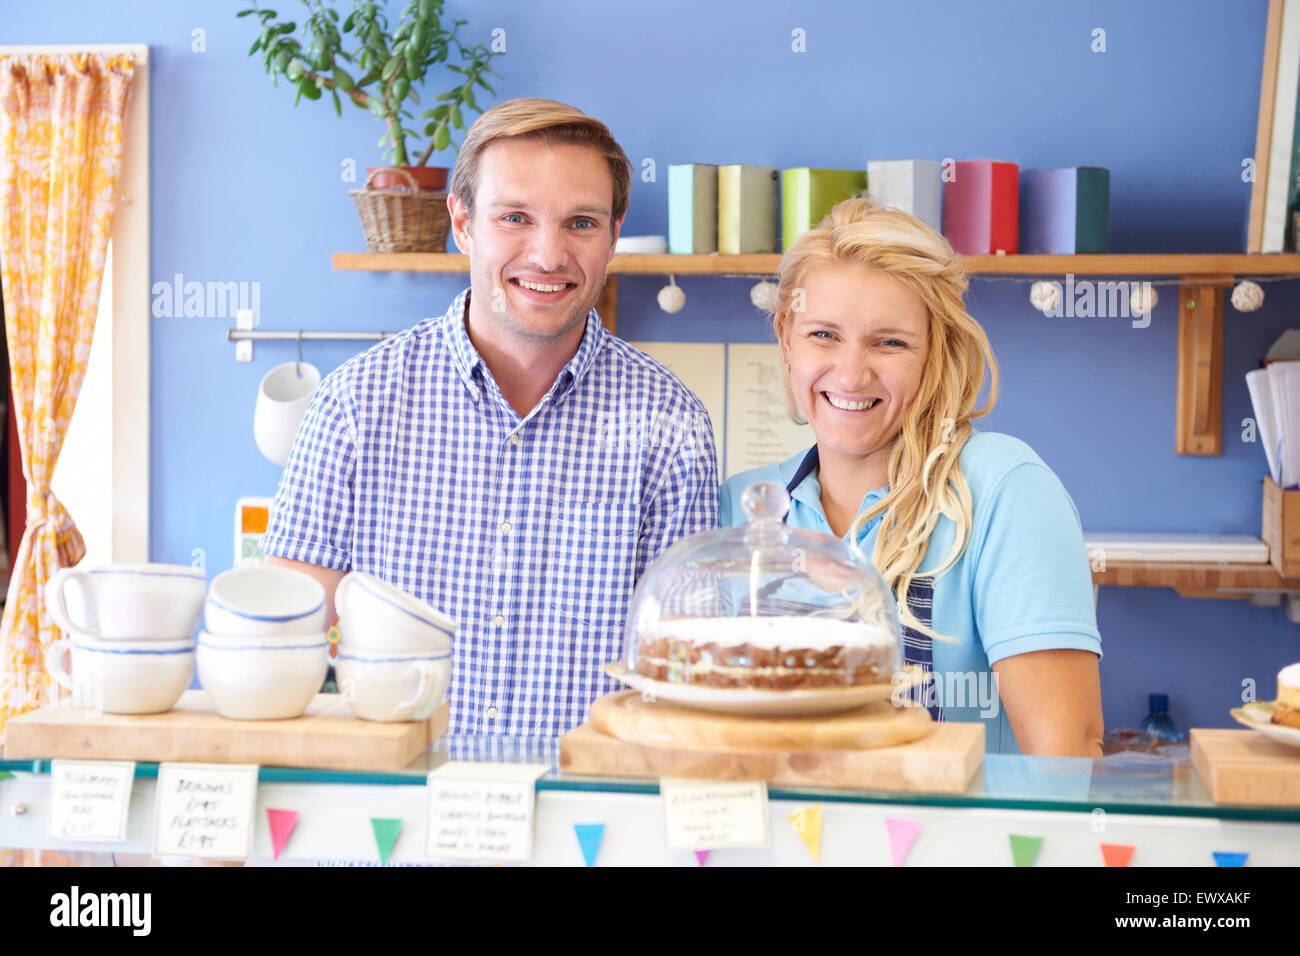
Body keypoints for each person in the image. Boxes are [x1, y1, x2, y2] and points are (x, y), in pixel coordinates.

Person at [261, 98, 719, 737]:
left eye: (581, 223)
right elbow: (276, 647)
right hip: (392, 816)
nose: (548, 254)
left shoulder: (670, 427)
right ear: (463, 222)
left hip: (587, 820)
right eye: (515, 217)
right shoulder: (354, 406)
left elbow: (682, 676)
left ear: (614, 236)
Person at [719, 198, 1103, 757]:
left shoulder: (1003, 490)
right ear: (786, 337)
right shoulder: (741, 506)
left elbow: (1065, 760)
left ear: (936, 352)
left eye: (889, 342)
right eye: (823, 335)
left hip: (965, 843)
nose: (851, 373)